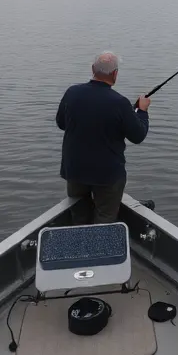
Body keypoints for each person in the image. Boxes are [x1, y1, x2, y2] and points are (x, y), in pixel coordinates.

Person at [55, 51, 151, 225]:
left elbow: (61, 123)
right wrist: (142, 111)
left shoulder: (72, 93)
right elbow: (138, 136)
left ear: (93, 69)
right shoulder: (119, 103)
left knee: (78, 214)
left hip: (75, 170)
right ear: (115, 74)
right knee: (105, 219)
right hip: (107, 175)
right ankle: (99, 248)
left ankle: (80, 246)